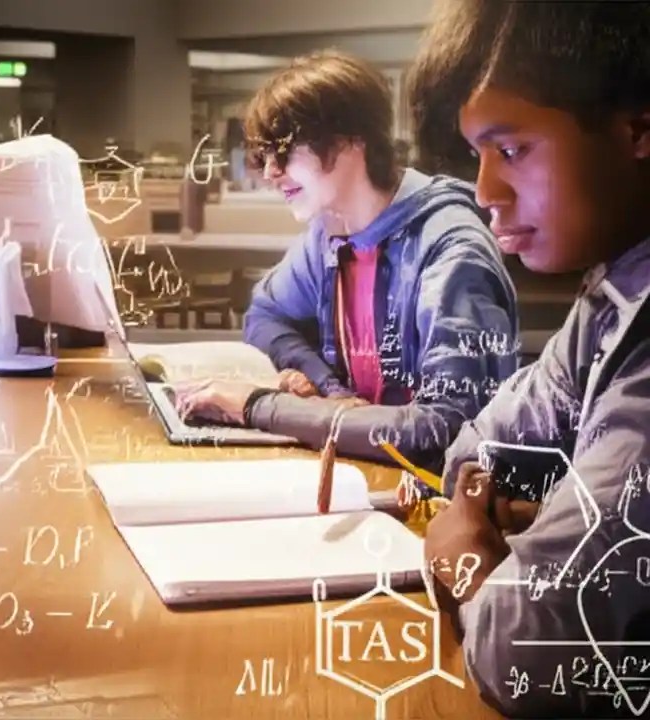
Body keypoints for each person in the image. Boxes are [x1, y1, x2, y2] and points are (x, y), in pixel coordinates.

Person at [410, 1, 650, 716]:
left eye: (511, 150)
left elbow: (533, 654)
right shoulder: (615, 288)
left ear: (639, 126)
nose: (484, 192)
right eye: (477, 156)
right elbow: (481, 450)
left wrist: (464, 553)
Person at [176, 50, 518, 473]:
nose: (269, 171)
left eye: (284, 150)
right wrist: (326, 385)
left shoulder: (450, 251)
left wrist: (258, 406)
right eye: (264, 155)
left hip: (433, 503)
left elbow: (445, 431)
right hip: (357, 474)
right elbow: (264, 315)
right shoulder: (329, 235)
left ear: (351, 139)